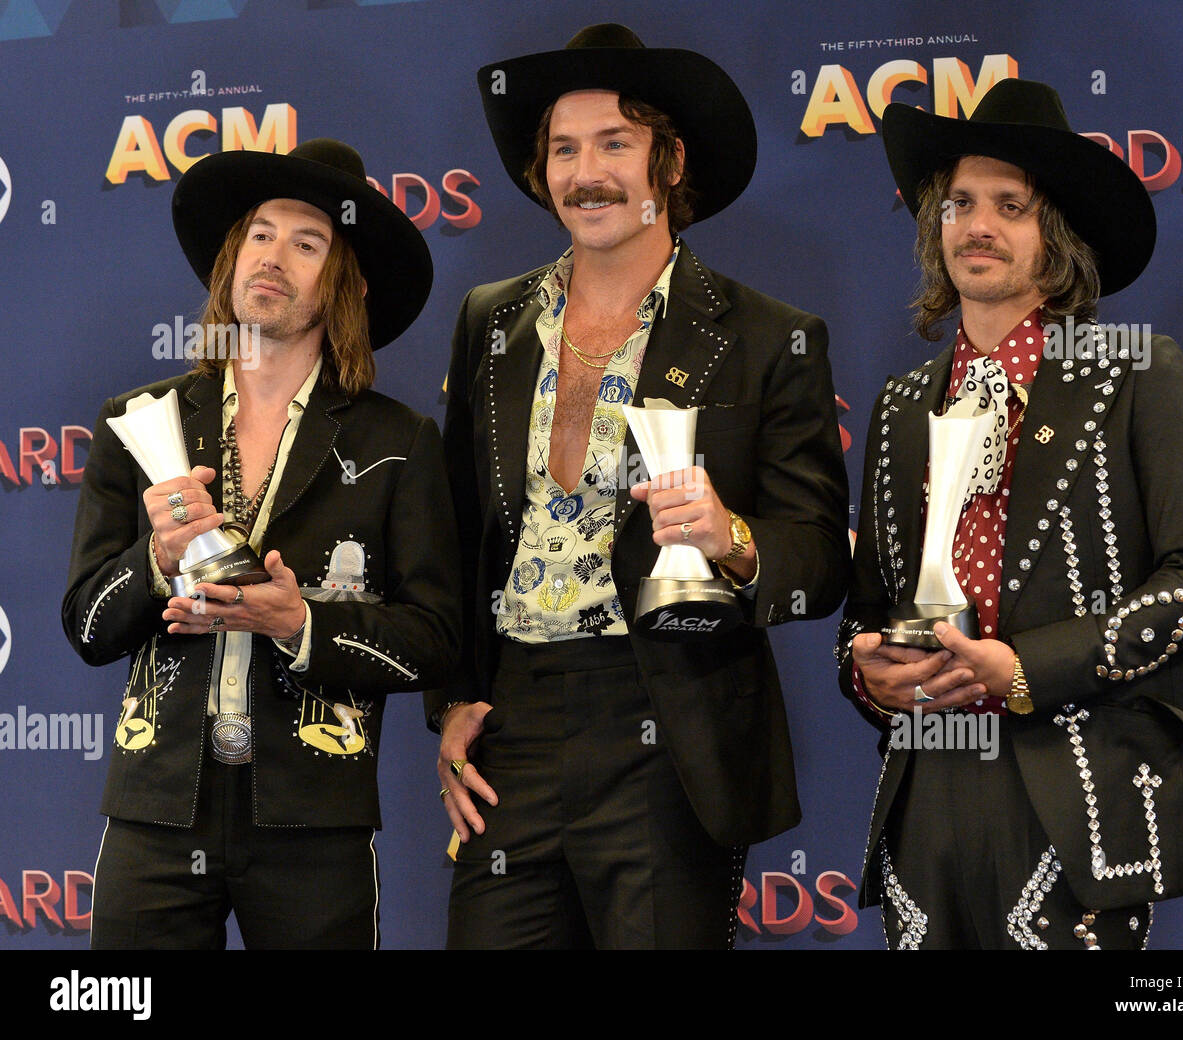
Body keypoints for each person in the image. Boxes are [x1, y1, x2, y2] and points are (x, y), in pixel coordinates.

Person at [430, 23, 849, 949]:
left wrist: (730, 537)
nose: (589, 173)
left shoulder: (766, 333)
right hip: (518, 723)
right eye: (565, 149)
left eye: (616, 143)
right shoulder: (490, 320)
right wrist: (453, 700)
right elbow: (458, 533)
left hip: (666, 717)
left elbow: (818, 558)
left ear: (670, 162)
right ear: (542, 172)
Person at [837, 79, 1183, 949]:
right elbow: (871, 607)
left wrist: (1022, 668)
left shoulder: (1135, 369)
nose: (977, 225)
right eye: (959, 203)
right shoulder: (902, 403)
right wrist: (868, 672)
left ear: (1054, 238)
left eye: (1008, 206)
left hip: (1077, 783)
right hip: (929, 786)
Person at [62, 138, 459, 949]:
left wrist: (299, 625)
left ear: (343, 283)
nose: (274, 258)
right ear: (231, 258)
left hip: (314, 824)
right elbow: (87, 627)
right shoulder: (142, 424)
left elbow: (435, 643)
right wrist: (156, 561)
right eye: (261, 234)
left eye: (307, 243)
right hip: (156, 812)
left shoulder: (400, 442)